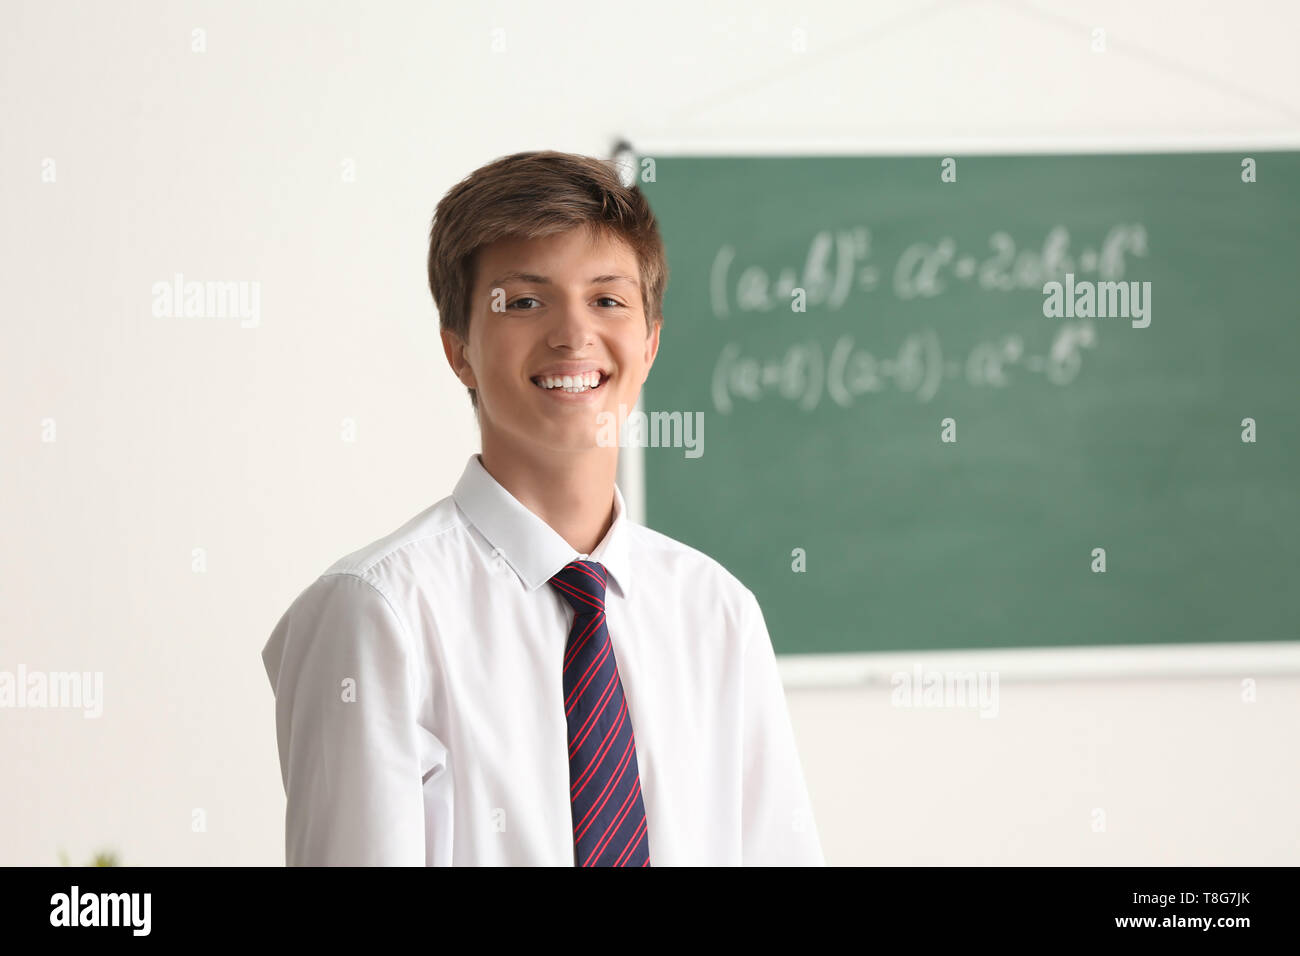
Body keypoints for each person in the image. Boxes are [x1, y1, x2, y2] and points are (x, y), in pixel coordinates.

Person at [261, 150, 824, 866]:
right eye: (525, 302)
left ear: (650, 343)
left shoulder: (716, 612)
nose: (573, 335)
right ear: (458, 350)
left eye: (608, 300)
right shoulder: (381, 611)